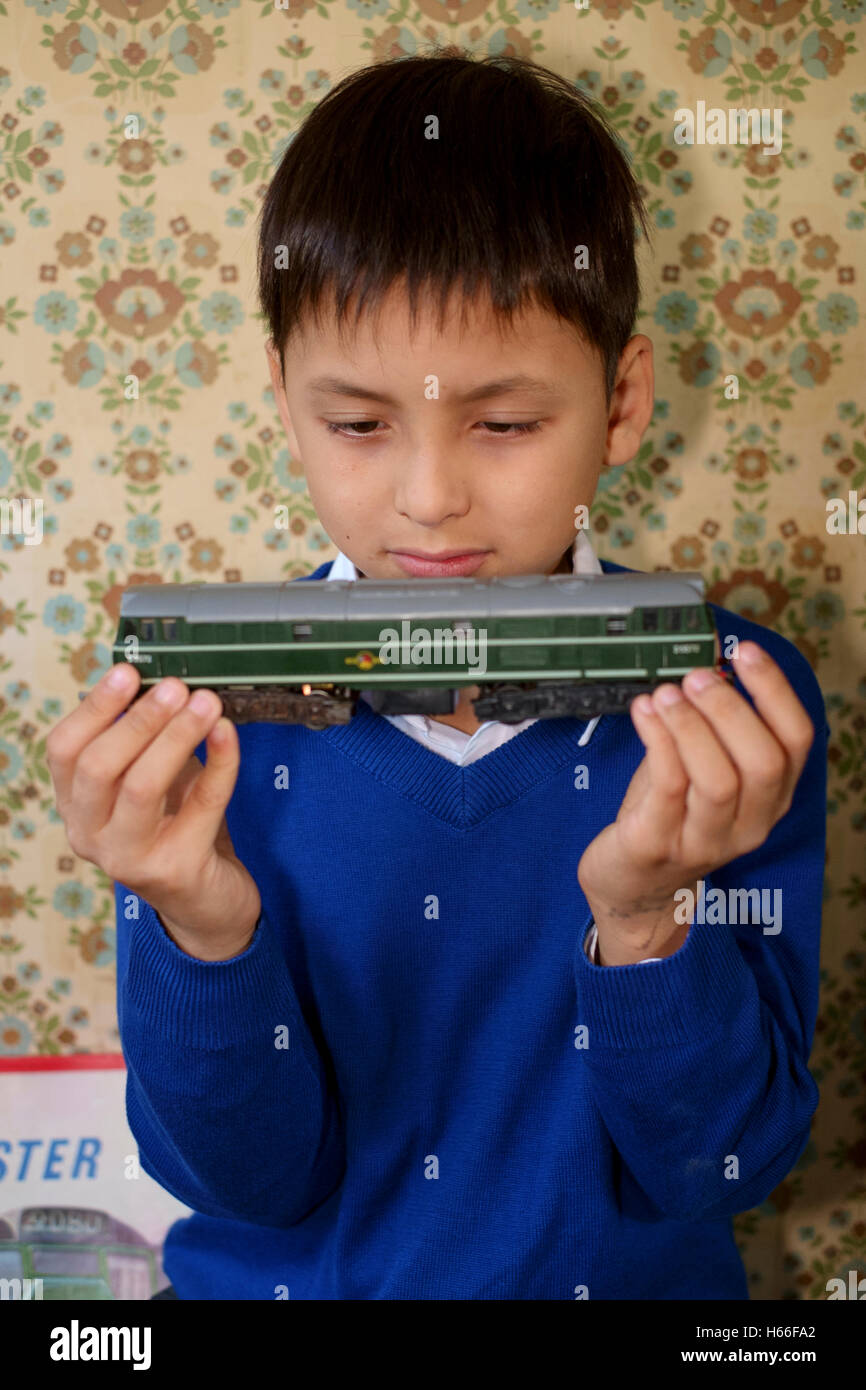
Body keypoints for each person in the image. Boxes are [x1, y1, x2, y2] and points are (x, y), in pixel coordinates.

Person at [47, 51, 827, 1300]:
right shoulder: (192, 730)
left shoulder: (731, 707)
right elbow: (240, 1184)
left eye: (504, 423)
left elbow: (723, 1168)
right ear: (283, 402)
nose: (426, 497)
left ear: (620, 403)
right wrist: (202, 927)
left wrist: (647, 925)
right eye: (356, 423)